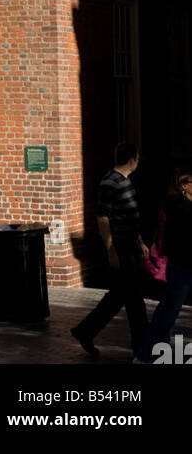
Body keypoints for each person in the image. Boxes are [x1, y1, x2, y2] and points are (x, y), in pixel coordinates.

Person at [71, 142, 149, 358]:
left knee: (119, 297)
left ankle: (85, 331)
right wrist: (111, 250)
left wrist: (139, 241)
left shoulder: (126, 182)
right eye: (138, 158)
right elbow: (103, 217)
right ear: (132, 159)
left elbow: (131, 216)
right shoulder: (109, 182)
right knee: (134, 300)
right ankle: (141, 347)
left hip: (130, 246)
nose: (138, 162)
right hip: (121, 248)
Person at [134, 167, 192, 364]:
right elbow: (181, 239)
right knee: (170, 310)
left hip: (181, 265)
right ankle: (145, 355)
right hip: (183, 265)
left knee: (168, 308)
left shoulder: (179, 205)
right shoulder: (180, 208)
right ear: (184, 186)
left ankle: (152, 349)